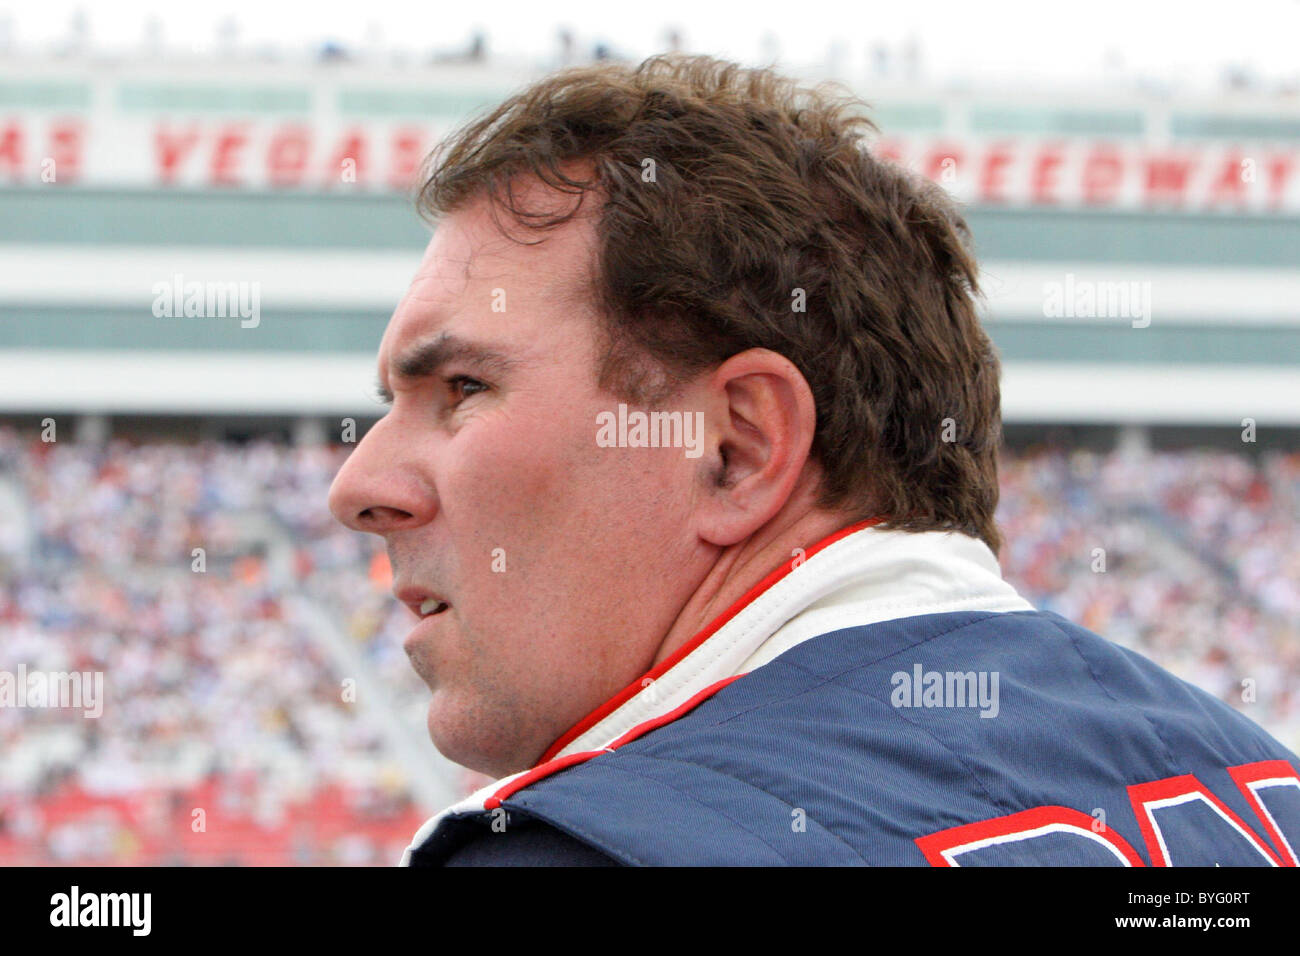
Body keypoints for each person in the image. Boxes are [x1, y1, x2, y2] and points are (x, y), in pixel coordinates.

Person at [327, 54, 1300, 866]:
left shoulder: (590, 850)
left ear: (736, 447)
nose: (356, 487)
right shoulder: (1266, 789)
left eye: (462, 389)